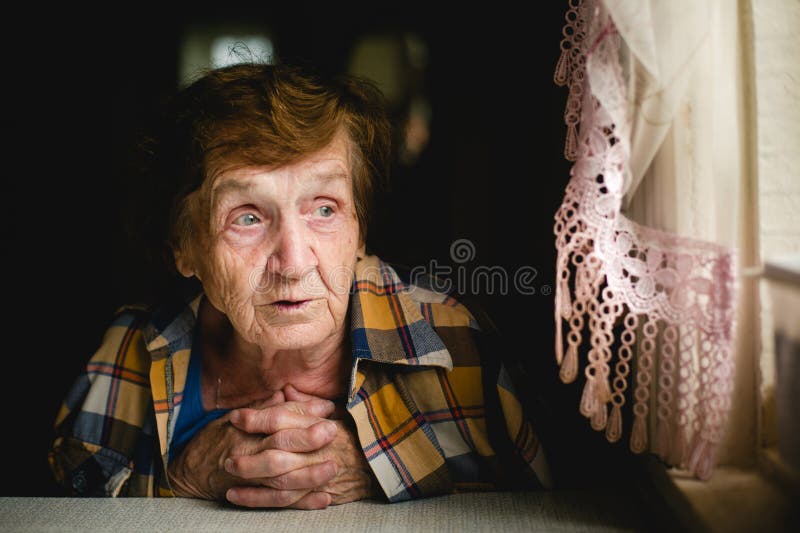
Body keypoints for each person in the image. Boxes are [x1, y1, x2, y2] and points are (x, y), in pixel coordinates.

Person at [48, 62, 551, 509]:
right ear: (185, 246)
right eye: (247, 217)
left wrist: (377, 468)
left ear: (360, 229)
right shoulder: (134, 348)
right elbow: (60, 506)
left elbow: (542, 507)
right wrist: (184, 473)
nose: (292, 263)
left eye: (325, 209)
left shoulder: (452, 339)